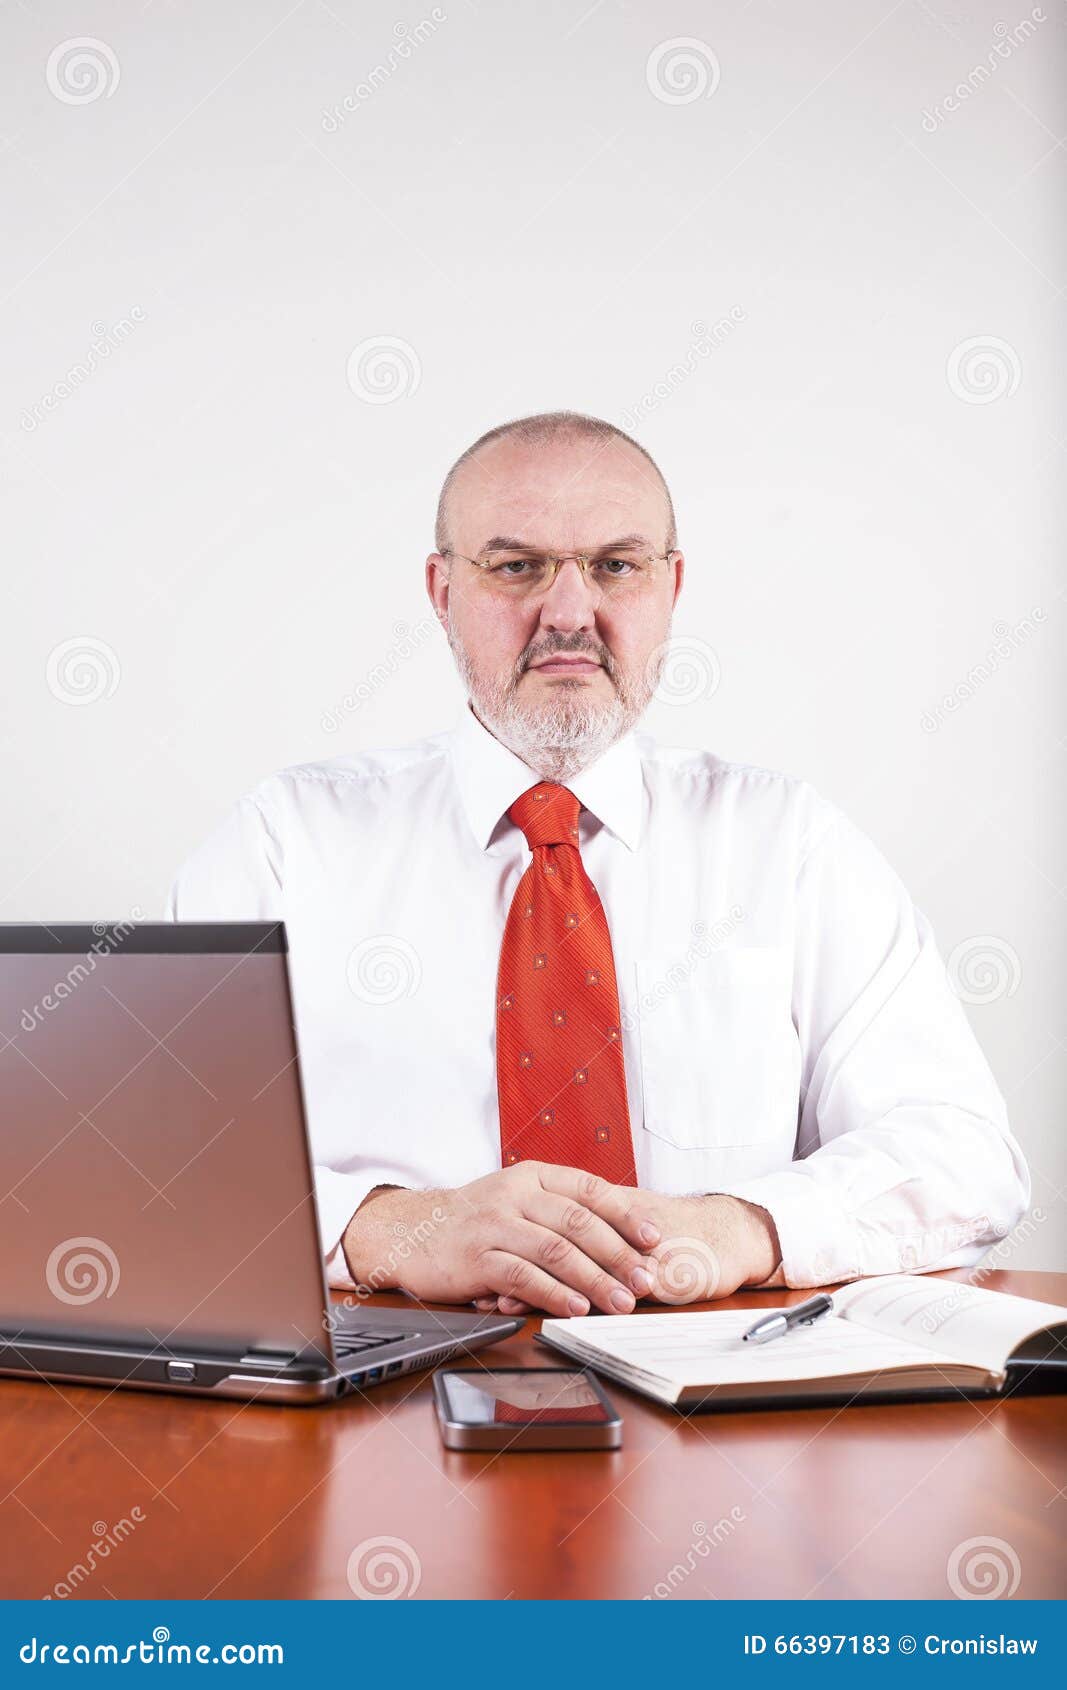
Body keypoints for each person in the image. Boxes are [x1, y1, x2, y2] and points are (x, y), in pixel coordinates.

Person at [166, 411, 1029, 1319]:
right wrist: (391, 1233)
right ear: (440, 590)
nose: (569, 613)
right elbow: (163, 1159)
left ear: (671, 587)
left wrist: (743, 1228)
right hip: (375, 1411)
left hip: (727, 1411)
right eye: (515, 566)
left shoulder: (790, 844)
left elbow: (961, 1151)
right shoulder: (284, 842)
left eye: (616, 565)